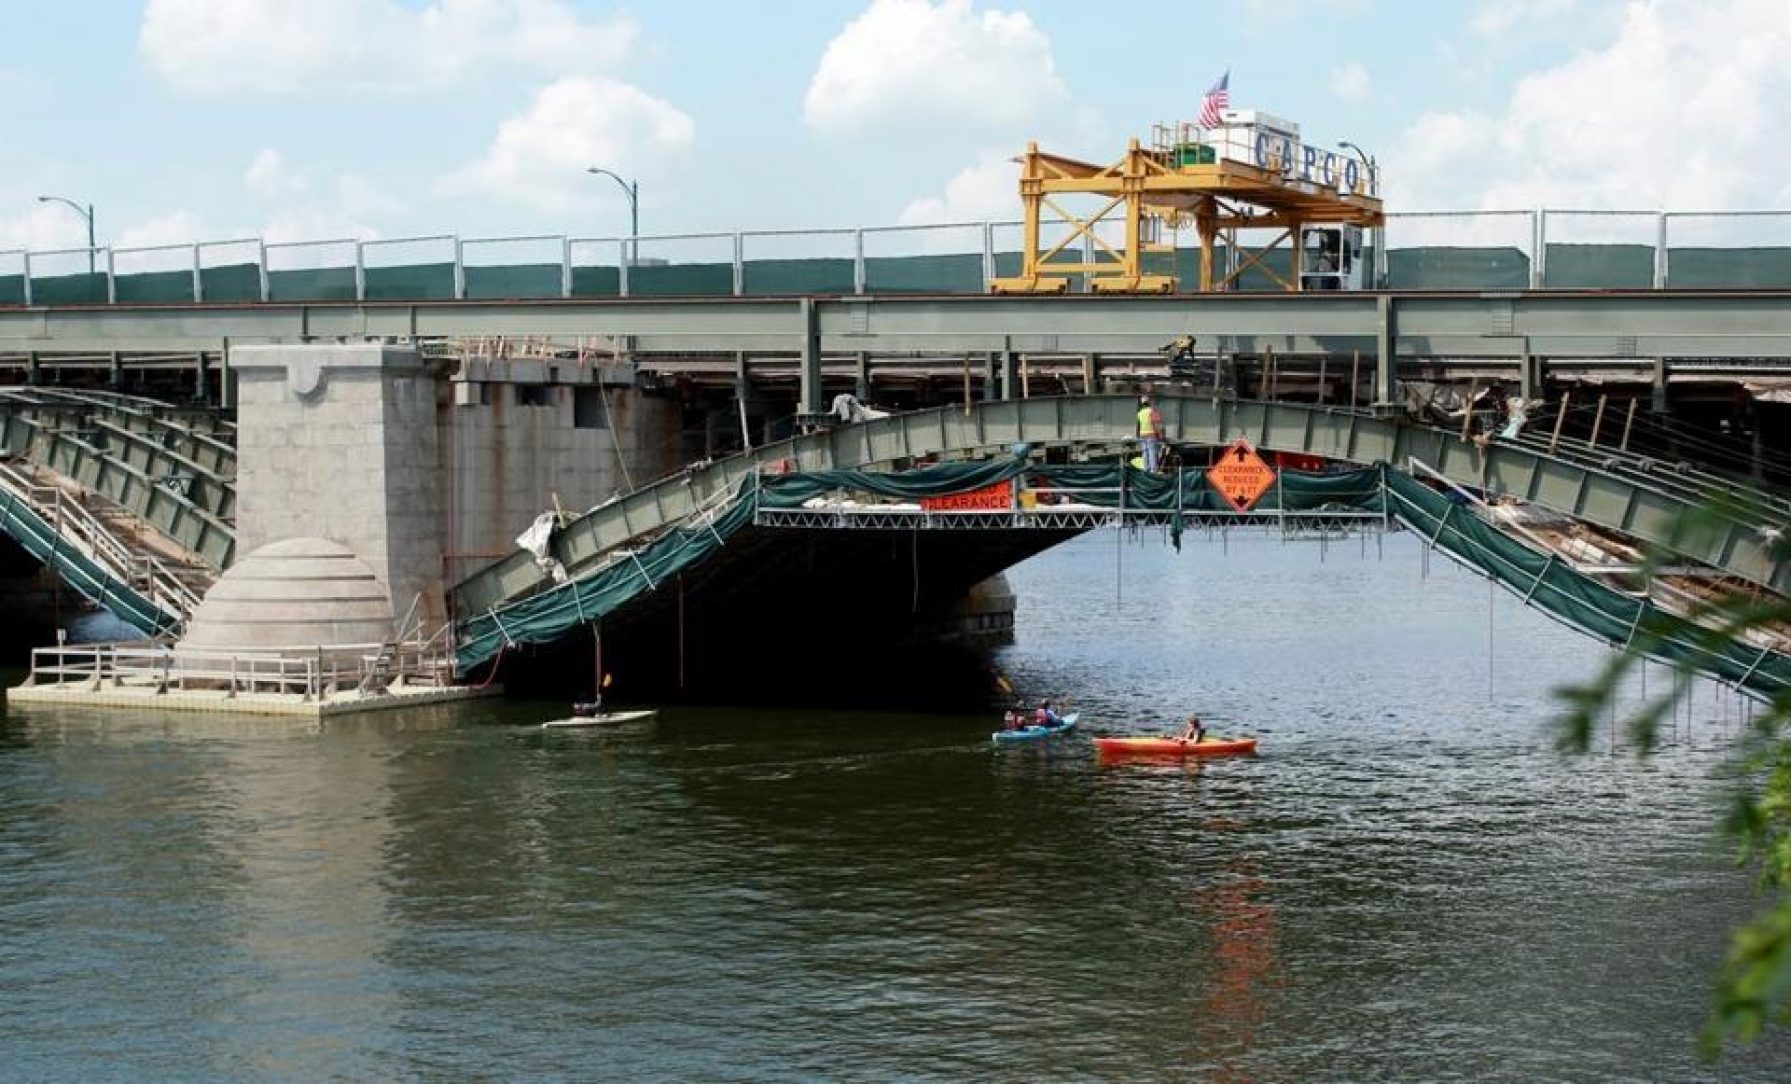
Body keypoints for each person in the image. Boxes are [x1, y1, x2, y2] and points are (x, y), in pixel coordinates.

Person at [1137, 395, 1166, 472]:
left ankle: (1146, 469)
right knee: (1152, 452)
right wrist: (1161, 436)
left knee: (1145, 452)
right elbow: (1157, 424)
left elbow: (1139, 426)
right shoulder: (1153, 411)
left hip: (1142, 435)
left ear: (1142, 403)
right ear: (1149, 402)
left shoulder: (1140, 413)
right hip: (1151, 434)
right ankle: (1153, 471)